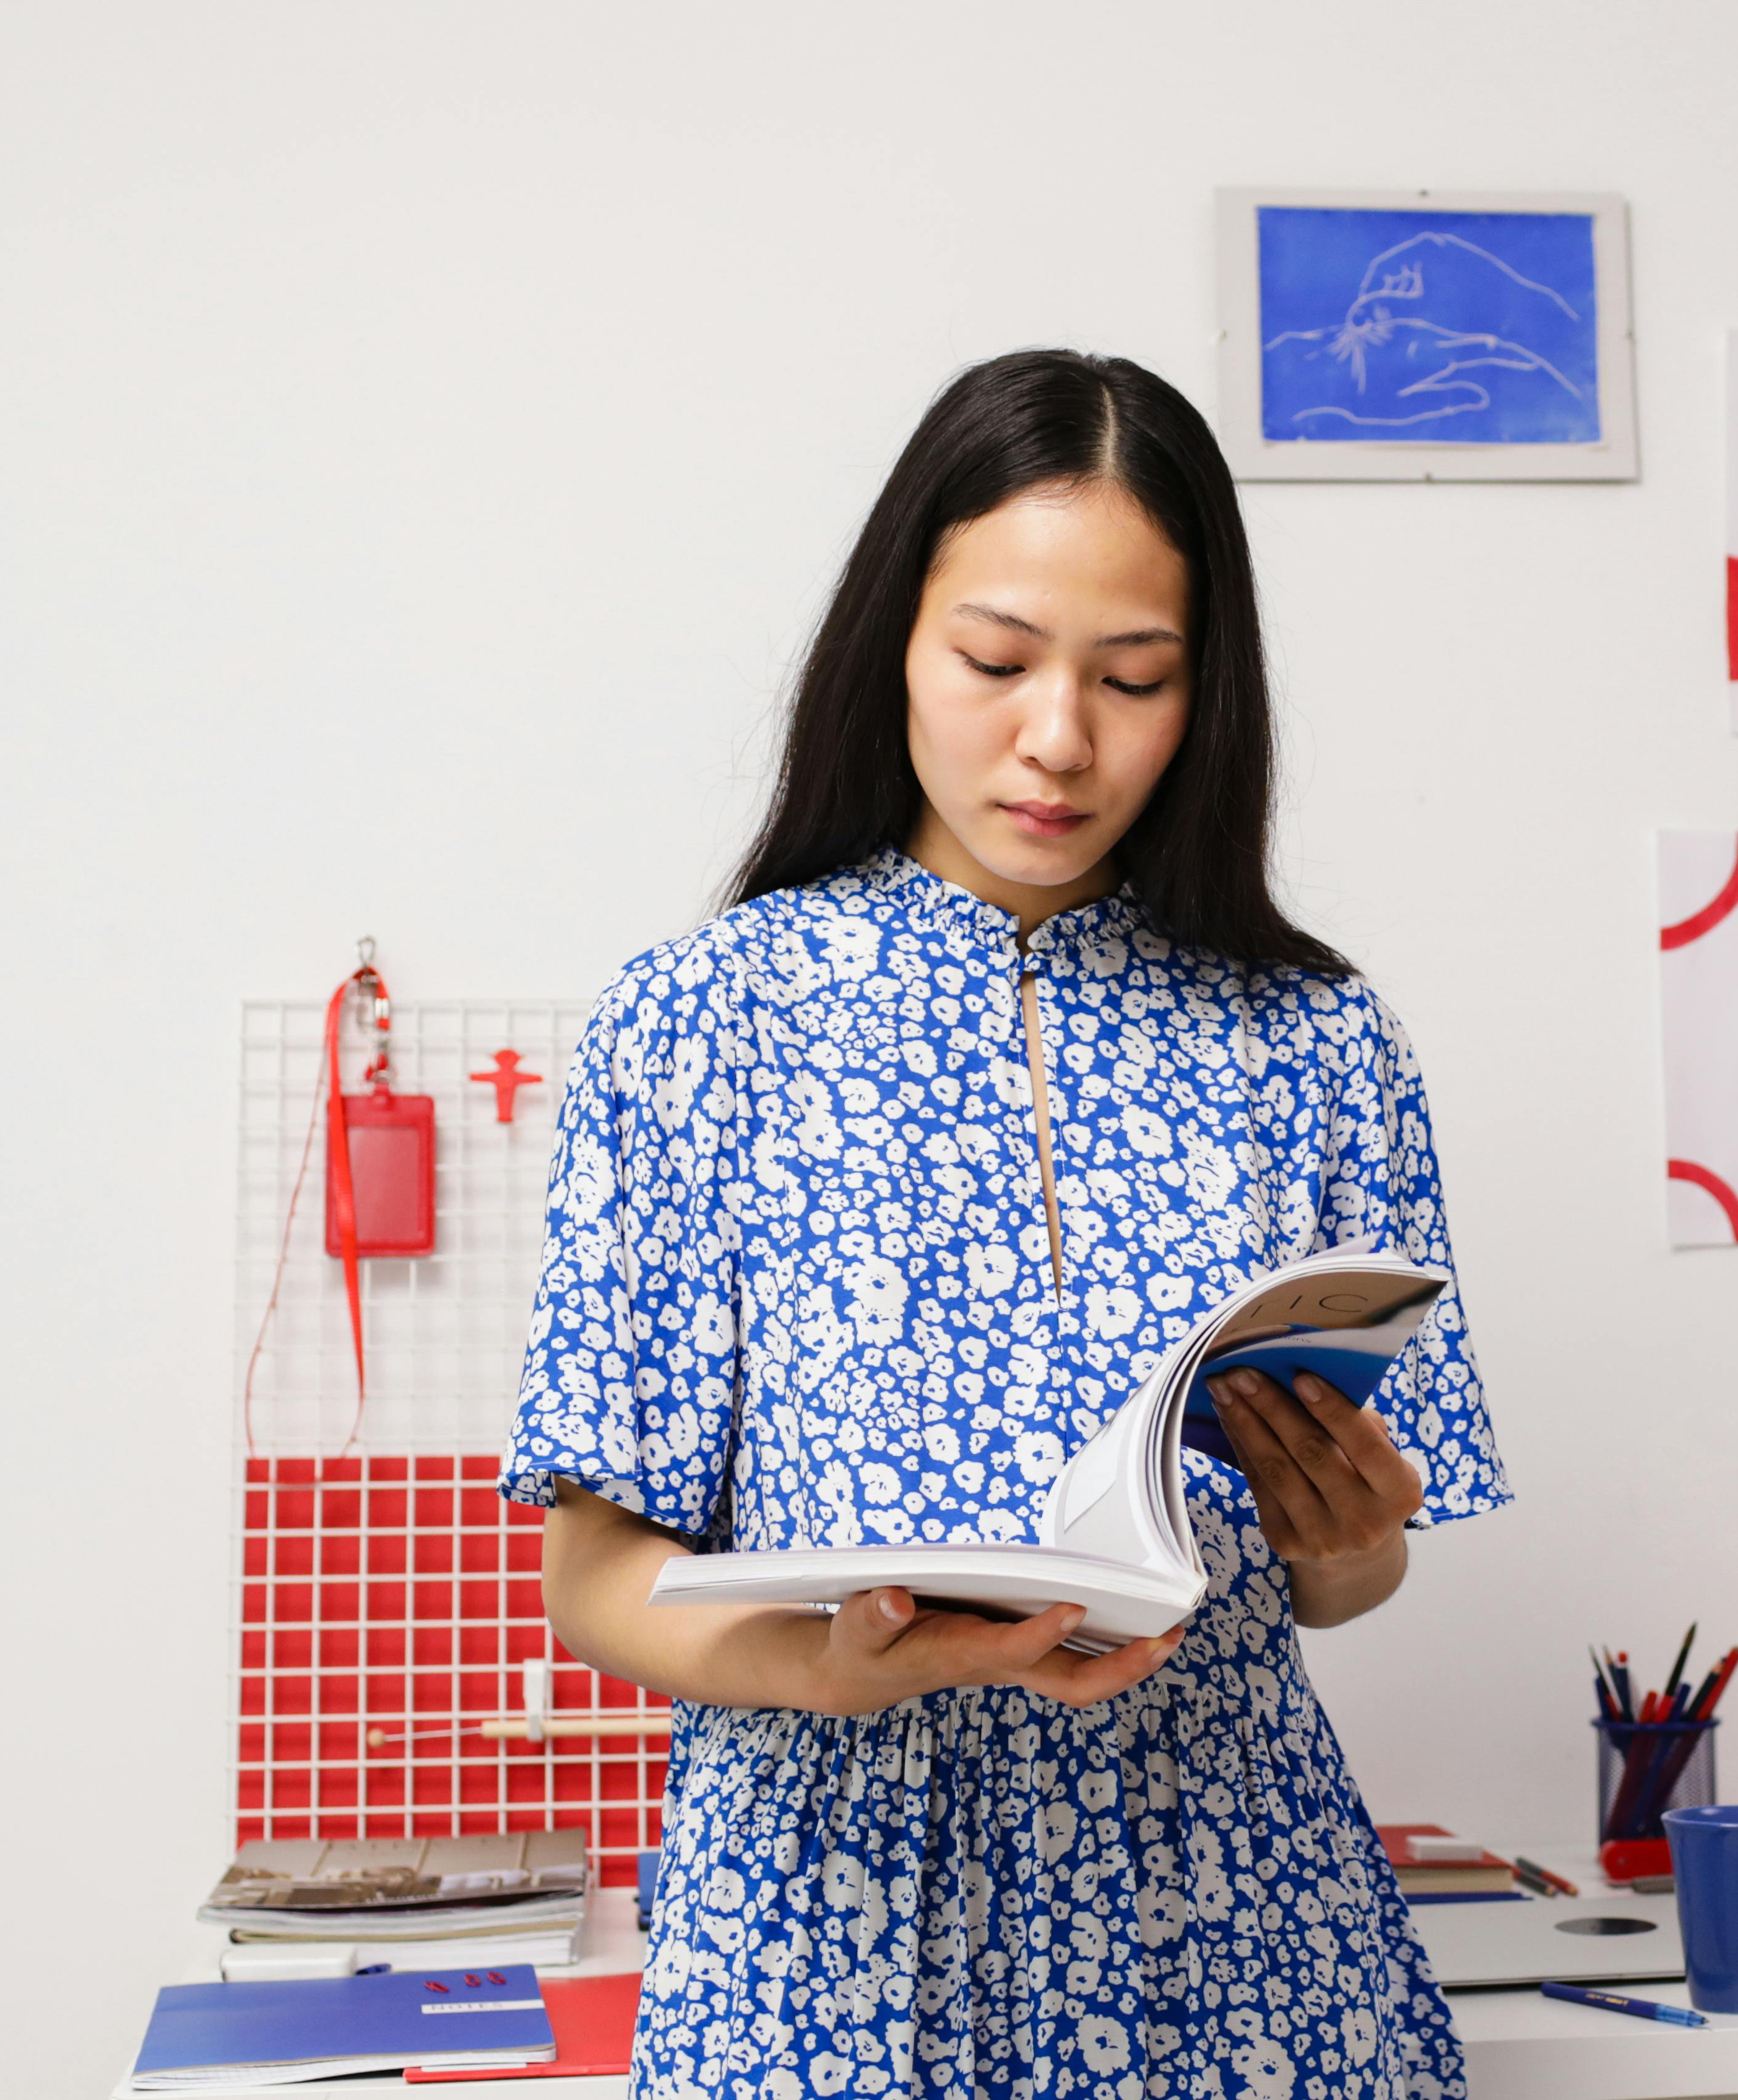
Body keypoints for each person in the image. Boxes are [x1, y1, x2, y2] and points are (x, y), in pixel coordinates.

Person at [503, 348, 1509, 2099]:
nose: (1060, 738)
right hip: (822, 1939)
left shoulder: (1317, 1038)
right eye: (995, 661)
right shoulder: (699, 1022)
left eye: (1135, 678)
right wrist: (829, 1669)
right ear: (895, 640)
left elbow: (1351, 1581)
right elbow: (593, 1576)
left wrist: (1347, 1536)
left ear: (1206, 695)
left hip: (1238, 1928)